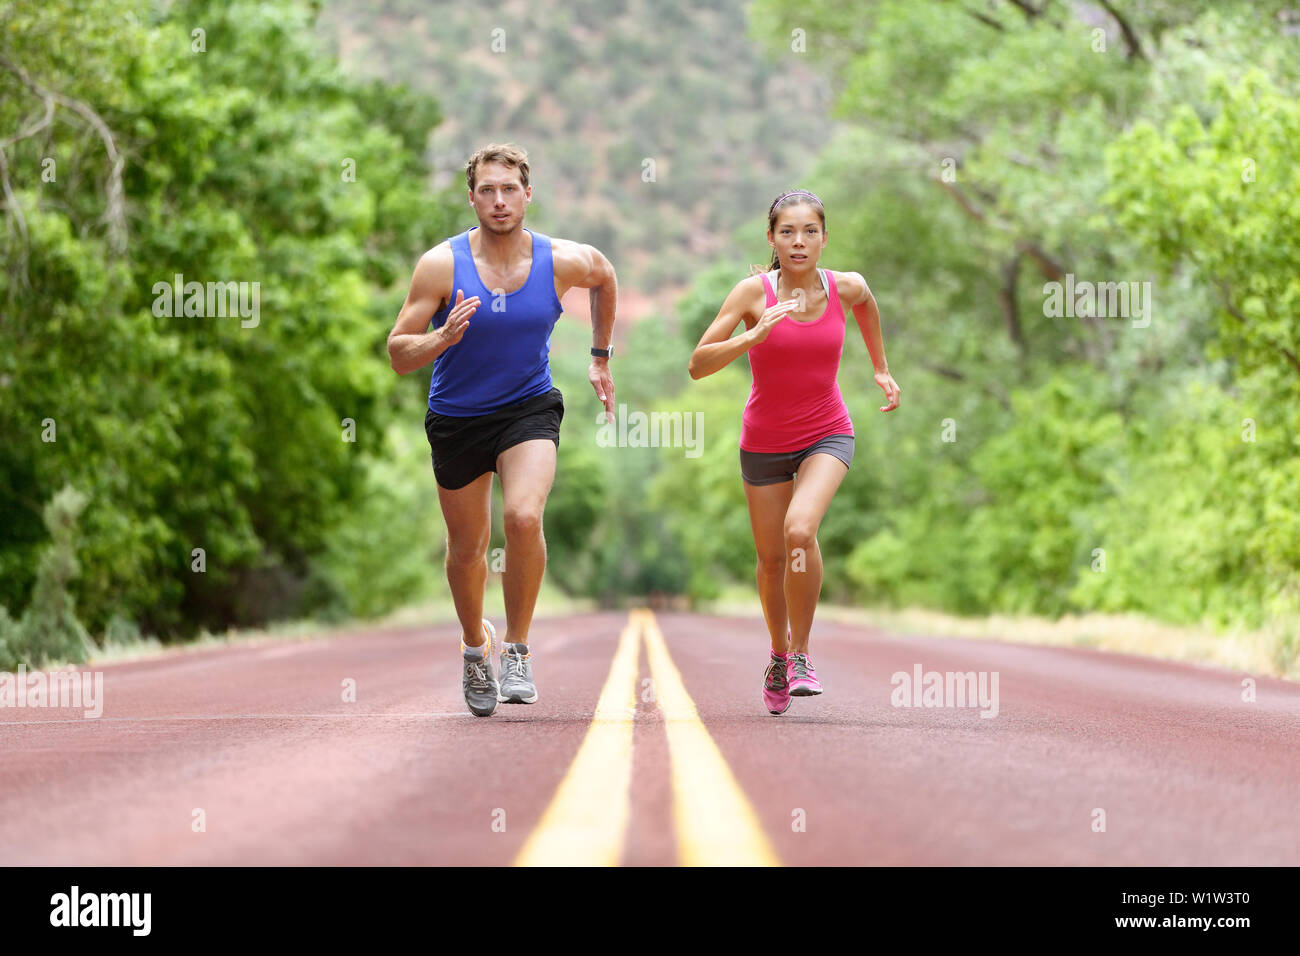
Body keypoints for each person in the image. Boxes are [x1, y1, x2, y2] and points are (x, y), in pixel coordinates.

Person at [387, 143, 618, 717]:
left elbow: (605, 275)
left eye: (508, 189)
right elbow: (397, 352)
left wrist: (600, 356)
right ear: (471, 198)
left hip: (528, 407)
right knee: (468, 548)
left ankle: (516, 648)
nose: (498, 200)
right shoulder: (440, 265)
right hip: (458, 417)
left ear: (527, 195)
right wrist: (439, 340)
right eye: (486, 190)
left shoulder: (560, 260)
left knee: (522, 517)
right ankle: (474, 649)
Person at [687, 188, 900, 715]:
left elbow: (869, 307)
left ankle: (802, 655)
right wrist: (753, 335)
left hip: (828, 431)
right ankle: (778, 655)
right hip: (763, 441)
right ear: (772, 239)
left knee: (800, 530)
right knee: (770, 560)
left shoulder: (845, 287)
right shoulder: (751, 293)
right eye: (788, 232)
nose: (799, 242)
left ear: (825, 239)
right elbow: (698, 363)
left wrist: (880, 366)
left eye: (810, 232)